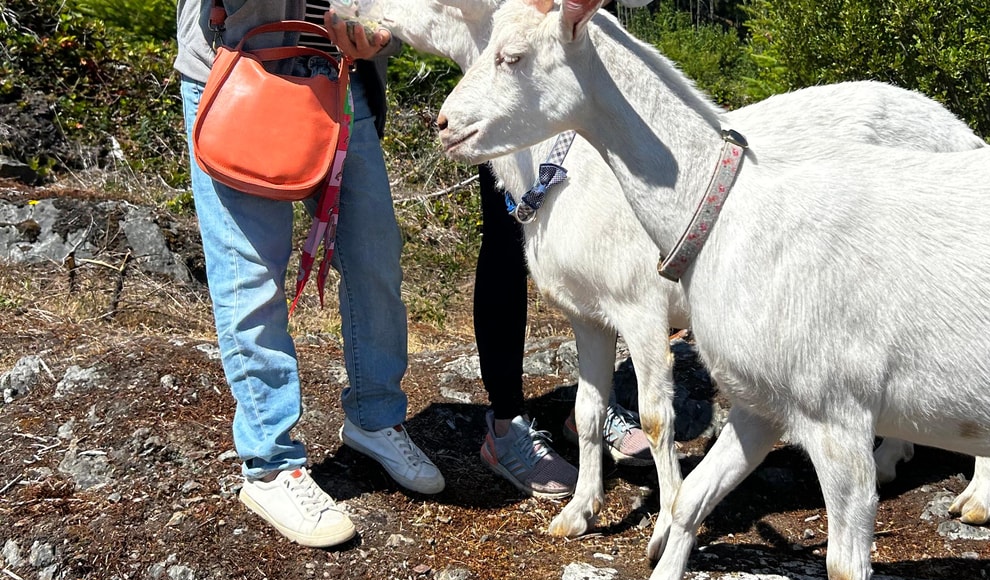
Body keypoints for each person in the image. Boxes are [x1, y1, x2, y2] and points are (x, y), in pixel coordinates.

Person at [175, 0, 443, 548]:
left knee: (375, 259)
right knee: (250, 274)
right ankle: (270, 464)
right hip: (239, 68)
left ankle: (375, 418)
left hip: (340, 80)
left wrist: (380, 31)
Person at [472, 165, 653, 501]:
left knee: (595, 229)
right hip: (506, 115)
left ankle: (593, 408)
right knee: (508, 237)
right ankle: (506, 426)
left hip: (578, 111)